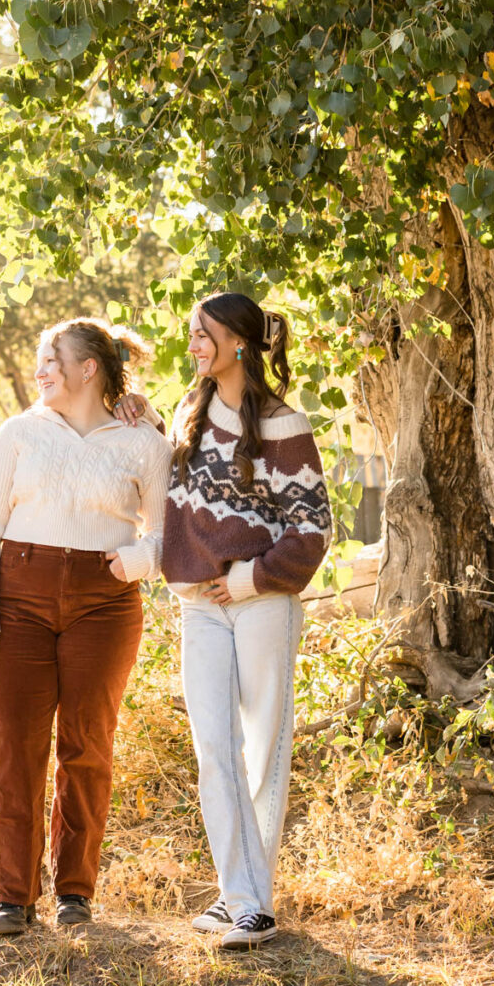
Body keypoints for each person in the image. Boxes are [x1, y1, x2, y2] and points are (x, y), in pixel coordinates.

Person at [0, 317, 172, 937]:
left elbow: (169, 533)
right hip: (18, 601)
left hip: (104, 603)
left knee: (87, 745)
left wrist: (135, 561)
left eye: (52, 359)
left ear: (88, 368)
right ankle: (14, 896)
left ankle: (75, 891)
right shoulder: (18, 433)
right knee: (15, 745)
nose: (40, 370)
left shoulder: (143, 441)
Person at [160, 292, 332, 951]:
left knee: (263, 750)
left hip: (261, 602)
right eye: (192, 334)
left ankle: (251, 904)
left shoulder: (285, 426)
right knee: (215, 751)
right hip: (200, 608)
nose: (194, 346)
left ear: (238, 342)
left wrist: (246, 579)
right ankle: (241, 896)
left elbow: (312, 529)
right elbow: (171, 507)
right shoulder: (189, 414)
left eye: (203, 335)